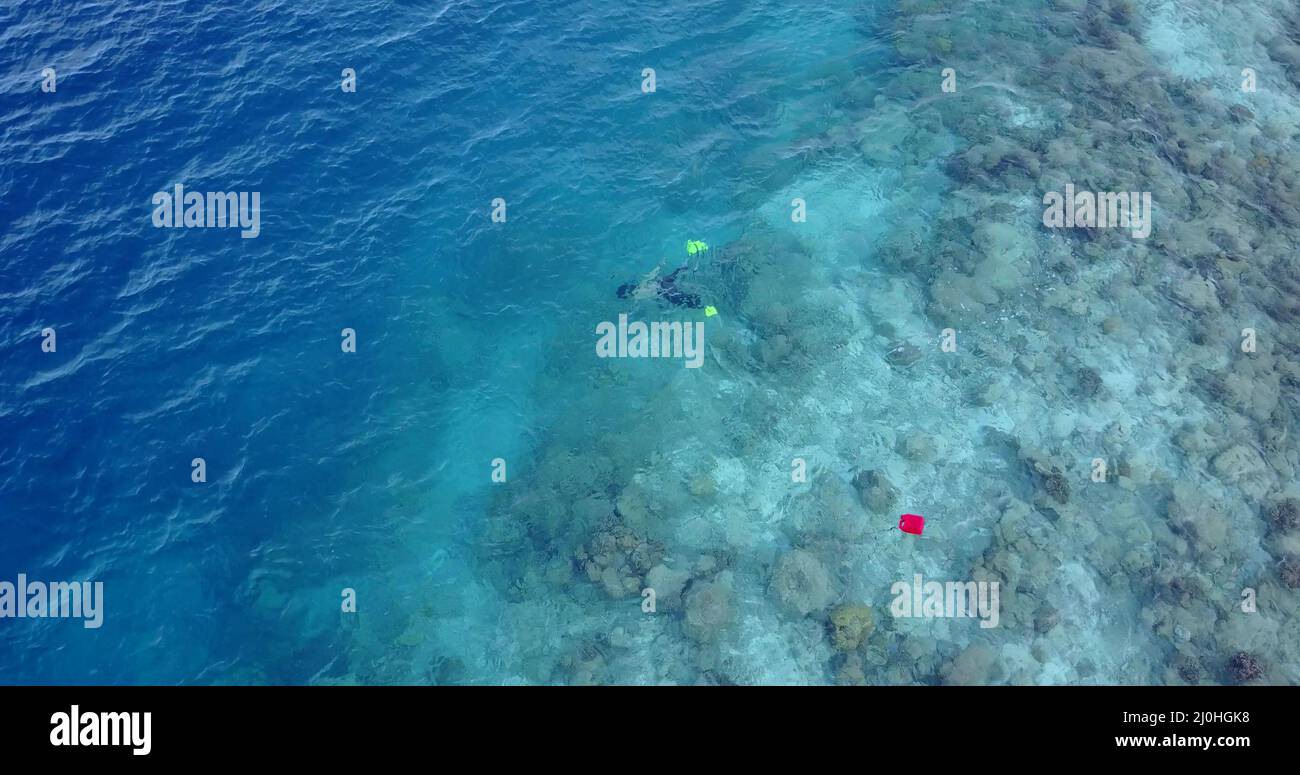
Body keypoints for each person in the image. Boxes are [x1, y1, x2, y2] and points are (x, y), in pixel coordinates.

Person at [616, 263, 702, 309]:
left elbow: (649, 281)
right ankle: (687, 263)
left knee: (683, 300)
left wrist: (658, 267)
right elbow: (649, 278)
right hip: (662, 281)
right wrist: (658, 266)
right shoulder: (638, 287)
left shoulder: (635, 295)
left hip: (663, 290)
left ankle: (703, 304)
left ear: (626, 294)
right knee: (677, 273)